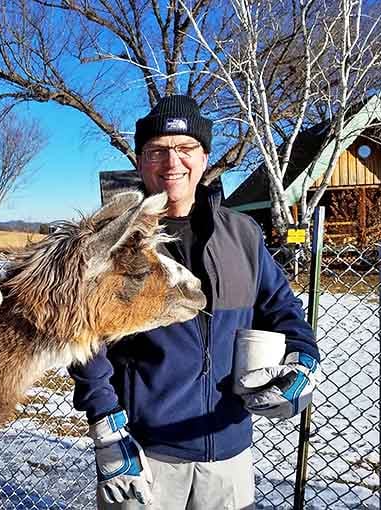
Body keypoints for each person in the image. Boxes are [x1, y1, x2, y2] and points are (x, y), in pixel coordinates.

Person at [68, 95, 321, 510]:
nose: (172, 162)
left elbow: (283, 310)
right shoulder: (112, 242)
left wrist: (303, 362)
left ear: (204, 157)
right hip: (144, 452)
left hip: (230, 453)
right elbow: (81, 336)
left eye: (185, 149)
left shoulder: (243, 235)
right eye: (157, 151)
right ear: (139, 160)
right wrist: (105, 427)